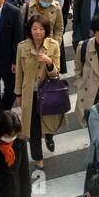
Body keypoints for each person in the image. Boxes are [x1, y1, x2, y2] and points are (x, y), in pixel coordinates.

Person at [14, 13, 62, 166]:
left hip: (47, 93)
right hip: (30, 94)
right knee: (32, 128)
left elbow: (56, 73)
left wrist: (49, 63)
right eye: (34, 28)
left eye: (41, 28)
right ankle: (38, 158)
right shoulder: (22, 47)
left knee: (47, 123)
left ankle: (48, 136)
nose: (38, 32)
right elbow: (19, 73)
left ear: (46, 30)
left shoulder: (53, 45)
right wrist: (18, 93)